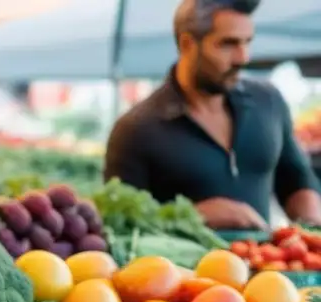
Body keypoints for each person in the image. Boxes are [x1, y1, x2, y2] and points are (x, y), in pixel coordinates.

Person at [104, 0, 321, 230]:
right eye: (228, 44)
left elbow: (297, 178)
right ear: (188, 44)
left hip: (263, 263)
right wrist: (194, 216)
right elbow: (119, 223)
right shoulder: (135, 129)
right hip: (182, 266)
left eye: (247, 42)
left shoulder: (268, 102)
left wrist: (312, 224)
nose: (243, 57)